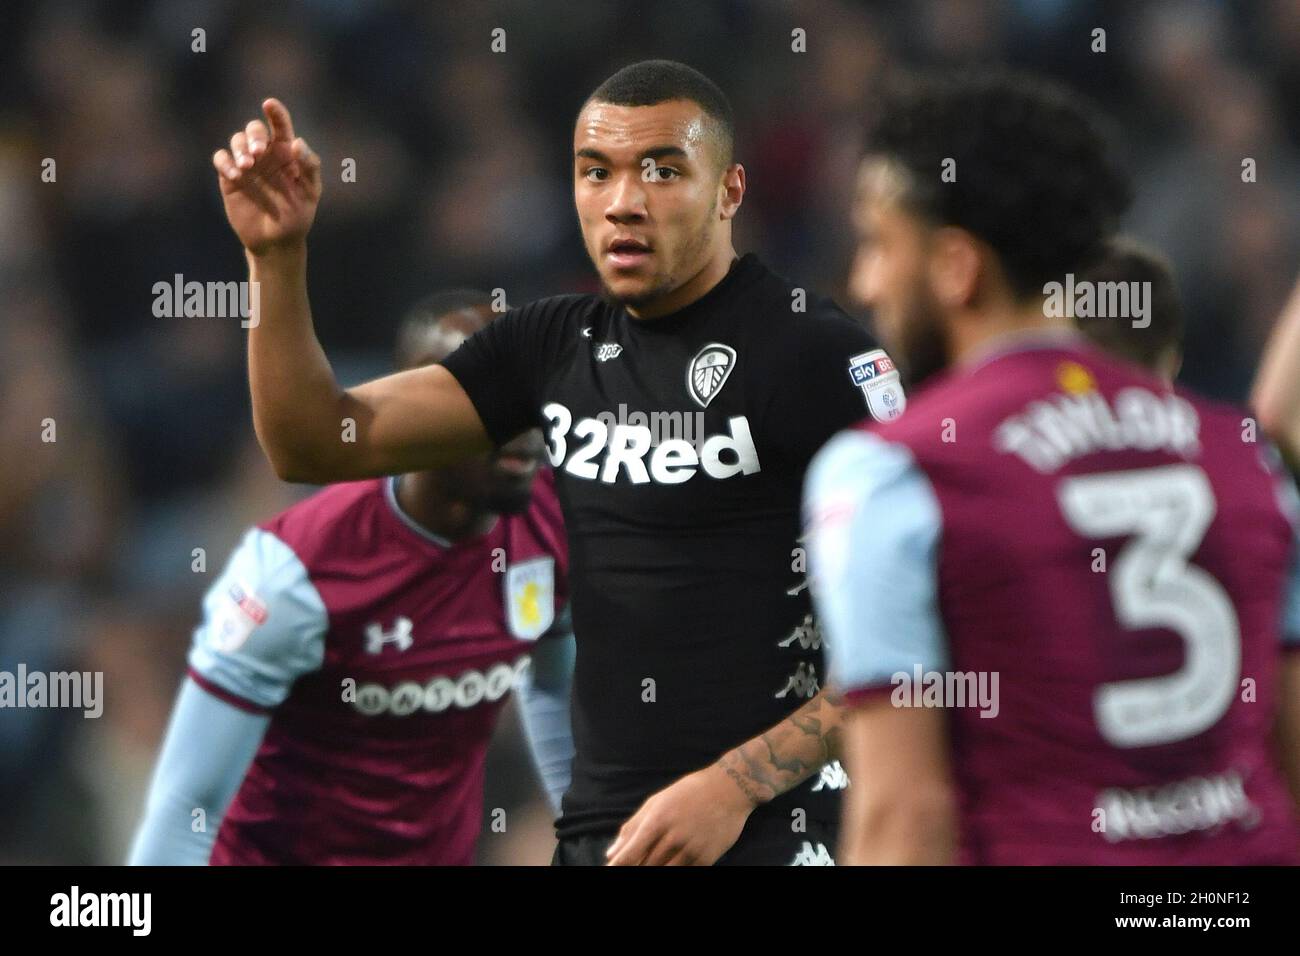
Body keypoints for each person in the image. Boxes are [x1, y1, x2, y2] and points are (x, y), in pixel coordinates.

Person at [210, 59, 905, 865]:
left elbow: (918, 644)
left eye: (663, 172)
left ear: (730, 192)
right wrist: (276, 258)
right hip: (606, 835)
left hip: (779, 826)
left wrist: (734, 786)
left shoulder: (816, 355)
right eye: (595, 172)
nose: (623, 202)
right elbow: (311, 442)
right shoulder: (552, 345)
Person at [805, 71, 1300, 864]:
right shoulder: (1242, 457)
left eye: (878, 244)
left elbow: (906, 817)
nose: (865, 282)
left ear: (956, 267)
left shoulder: (894, 474)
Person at [128, 290, 572, 865]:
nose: (522, 424)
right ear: (415, 408)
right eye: (488, 398)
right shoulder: (296, 573)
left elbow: (555, 687)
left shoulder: (552, 525)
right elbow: (188, 805)